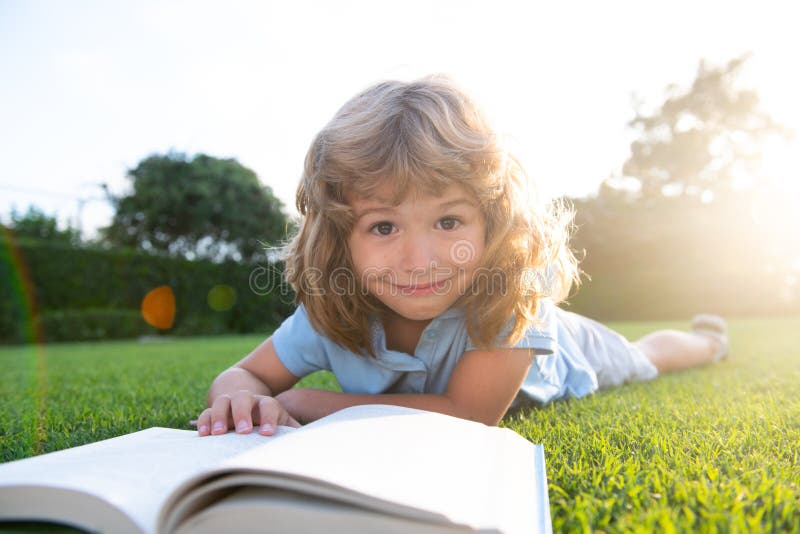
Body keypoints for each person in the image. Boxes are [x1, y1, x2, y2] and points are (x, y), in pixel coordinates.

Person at [194, 76, 728, 437]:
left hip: (569, 354)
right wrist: (241, 396)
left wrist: (309, 404)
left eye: (448, 221)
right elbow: (241, 375)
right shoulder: (329, 314)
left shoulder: (512, 296)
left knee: (645, 358)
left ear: (491, 222)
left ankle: (707, 340)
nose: (418, 258)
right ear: (339, 239)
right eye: (383, 226)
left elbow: (467, 415)